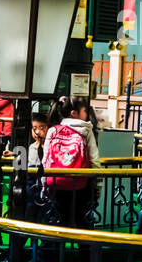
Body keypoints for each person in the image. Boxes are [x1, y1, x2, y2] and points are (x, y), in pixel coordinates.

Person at [43, 95, 101, 228]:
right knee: (82, 221)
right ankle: (83, 248)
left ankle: (58, 248)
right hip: (80, 184)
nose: (87, 114)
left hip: (57, 183)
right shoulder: (86, 130)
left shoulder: (53, 130)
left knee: (58, 221)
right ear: (74, 113)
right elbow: (94, 159)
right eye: (85, 111)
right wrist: (98, 184)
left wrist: (44, 183)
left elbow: (45, 160)